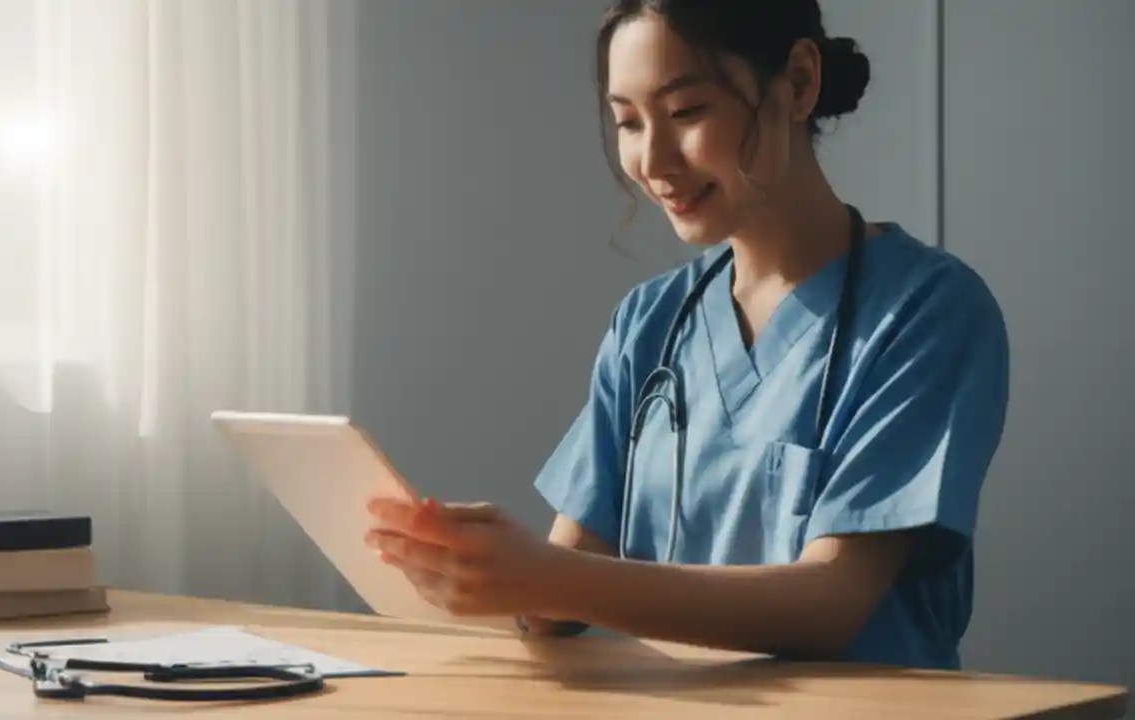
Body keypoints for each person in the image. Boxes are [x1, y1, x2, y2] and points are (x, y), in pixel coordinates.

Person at [365, 0, 1009, 670]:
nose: (652, 158)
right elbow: (563, 588)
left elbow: (833, 601)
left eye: (685, 113)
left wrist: (544, 578)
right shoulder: (649, 323)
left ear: (797, 82)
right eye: (628, 122)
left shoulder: (927, 311)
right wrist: (473, 568)